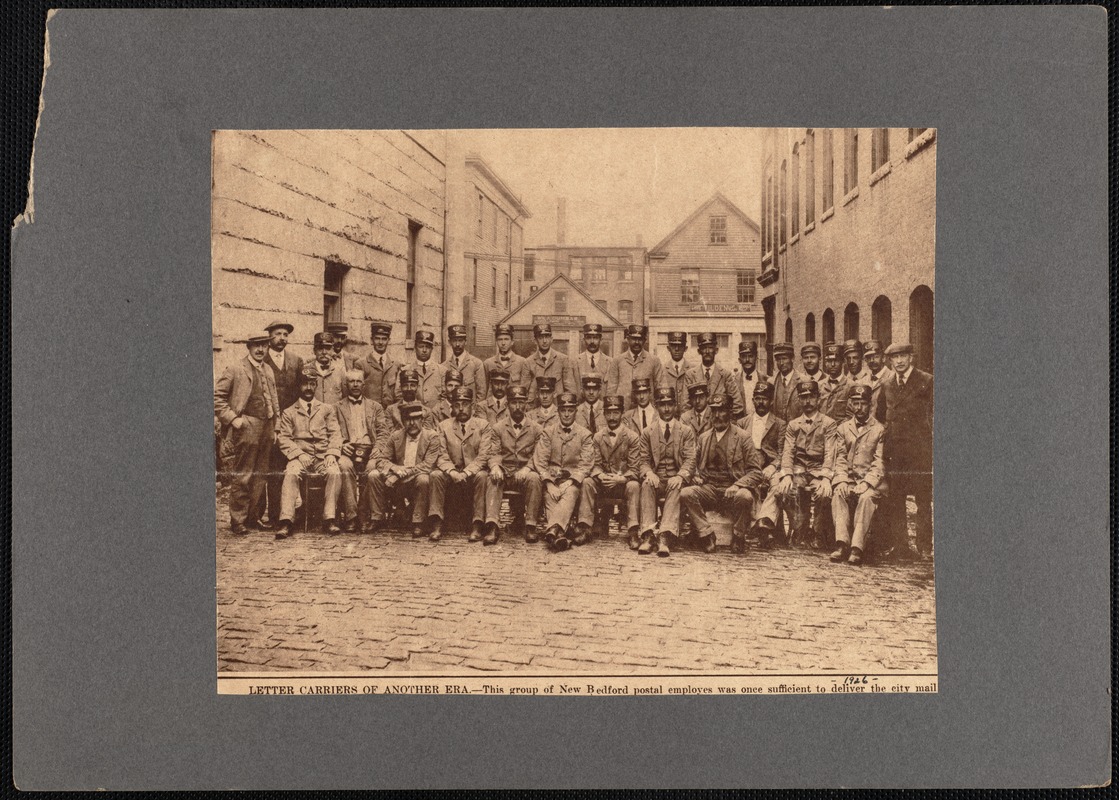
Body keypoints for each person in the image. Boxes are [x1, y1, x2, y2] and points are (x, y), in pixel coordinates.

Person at [681, 393, 765, 554]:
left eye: (721, 411)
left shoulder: (743, 437)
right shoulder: (704, 438)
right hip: (710, 489)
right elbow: (692, 464)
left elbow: (756, 472)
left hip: (732, 489)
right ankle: (706, 534)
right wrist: (695, 475)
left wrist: (737, 485)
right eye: (714, 411)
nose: (717, 415)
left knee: (745, 496)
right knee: (686, 493)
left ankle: (738, 535)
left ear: (730, 412)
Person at [214, 334, 280, 535]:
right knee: (243, 474)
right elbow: (217, 397)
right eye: (256, 346)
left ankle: (254, 517)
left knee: (260, 475)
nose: (261, 350)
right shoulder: (236, 369)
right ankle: (238, 520)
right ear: (249, 347)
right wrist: (234, 419)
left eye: (264, 346)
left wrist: (276, 426)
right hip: (247, 425)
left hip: (267, 427)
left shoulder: (268, 369)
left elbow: (274, 399)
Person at [759, 380, 837, 549]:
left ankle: (817, 532)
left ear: (818, 399)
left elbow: (830, 453)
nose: (807, 402)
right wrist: (786, 475)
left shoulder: (829, 424)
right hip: (799, 471)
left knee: (824, 494)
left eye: (811, 397)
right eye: (803, 398)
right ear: (799, 400)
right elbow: (787, 452)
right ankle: (798, 528)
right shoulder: (793, 425)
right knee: (784, 490)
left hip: (819, 471)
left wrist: (825, 478)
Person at [876, 341, 933, 559]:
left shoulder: (926, 381)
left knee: (923, 500)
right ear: (889, 361)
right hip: (895, 453)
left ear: (911, 358)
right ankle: (900, 546)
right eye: (894, 358)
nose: (899, 361)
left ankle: (924, 547)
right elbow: (881, 416)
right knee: (896, 500)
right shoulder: (887, 384)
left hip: (920, 453)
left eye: (903, 357)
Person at [274, 368, 343, 539]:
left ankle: (330, 518)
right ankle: (286, 521)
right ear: (299, 386)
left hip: (322, 457)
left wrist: (331, 454)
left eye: (312, 384)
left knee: (334, 472)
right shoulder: (289, 412)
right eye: (305, 383)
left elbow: (335, 434)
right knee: (291, 472)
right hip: (300, 457)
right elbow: (284, 438)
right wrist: (298, 454)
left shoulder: (327, 409)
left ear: (316, 385)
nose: (308, 388)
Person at [636, 387, 697, 557]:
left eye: (670, 404)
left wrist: (680, 475)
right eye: (662, 405)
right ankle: (648, 535)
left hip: (675, 478)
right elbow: (643, 461)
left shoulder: (685, 431)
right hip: (657, 478)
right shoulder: (648, 432)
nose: (667, 409)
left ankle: (665, 537)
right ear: (656, 406)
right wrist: (649, 473)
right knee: (647, 484)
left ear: (675, 406)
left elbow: (690, 460)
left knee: (676, 486)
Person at [829, 385, 886, 566]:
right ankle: (841, 544)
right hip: (850, 479)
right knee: (839, 493)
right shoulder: (843, 428)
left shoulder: (879, 429)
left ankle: (857, 548)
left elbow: (880, 462)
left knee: (866, 499)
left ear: (870, 405)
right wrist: (842, 480)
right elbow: (839, 458)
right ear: (850, 405)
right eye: (855, 403)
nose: (859, 408)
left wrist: (868, 483)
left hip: (872, 483)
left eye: (863, 404)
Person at [368, 403, 443, 539]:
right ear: (403, 422)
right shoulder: (395, 436)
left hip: (416, 480)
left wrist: (399, 475)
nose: (412, 423)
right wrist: (395, 469)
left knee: (424, 478)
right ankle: (377, 518)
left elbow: (428, 465)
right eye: (408, 420)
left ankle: (418, 522)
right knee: (374, 475)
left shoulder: (432, 437)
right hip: (398, 481)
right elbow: (381, 460)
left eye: (415, 419)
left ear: (422, 420)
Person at [531, 392, 594, 552]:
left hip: (572, 482)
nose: (566, 414)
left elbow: (586, 463)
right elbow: (540, 461)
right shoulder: (548, 432)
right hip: (552, 480)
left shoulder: (584, 434)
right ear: (558, 411)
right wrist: (549, 483)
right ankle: (559, 536)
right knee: (549, 494)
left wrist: (571, 481)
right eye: (563, 410)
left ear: (576, 411)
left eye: (570, 410)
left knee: (571, 492)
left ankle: (553, 529)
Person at [430, 387, 494, 542]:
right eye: (457, 404)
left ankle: (477, 524)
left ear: (472, 405)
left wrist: (466, 472)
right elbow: (441, 454)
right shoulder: (443, 426)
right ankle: (437, 523)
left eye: (465, 404)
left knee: (483, 476)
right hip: (452, 472)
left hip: (473, 472)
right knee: (436, 475)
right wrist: (452, 471)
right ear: (451, 406)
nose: (461, 408)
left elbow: (484, 455)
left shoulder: (483, 425)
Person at [577, 395, 642, 548]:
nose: (612, 417)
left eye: (616, 413)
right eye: (609, 413)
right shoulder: (598, 437)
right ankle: (585, 528)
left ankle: (633, 531)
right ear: (604, 414)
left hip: (622, 485)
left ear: (622, 413)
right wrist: (601, 475)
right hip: (604, 483)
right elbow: (595, 463)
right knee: (587, 482)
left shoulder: (632, 437)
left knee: (634, 486)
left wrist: (621, 479)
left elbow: (635, 468)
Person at [333, 369, 390, 532]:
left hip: (370, 450)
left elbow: (383, 432)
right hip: (348, 450)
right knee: (344, 467)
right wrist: (342, 444)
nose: (355, 384)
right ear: (346, 384)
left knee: (372, 469)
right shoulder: (336, 408)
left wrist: (378, 448)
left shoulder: (375, 407)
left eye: (358, 381)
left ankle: (363, 514)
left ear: (364, 384)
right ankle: (351, 516)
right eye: (351, 381)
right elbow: (332, 431)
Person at [486, 386, 544, 543]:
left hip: (525, 471)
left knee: (535, 478)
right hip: (505, 471)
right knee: (492, 478)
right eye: (513, 402)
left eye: (521, 402)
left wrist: (527, 468)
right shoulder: (498, 428)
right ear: (507, 404)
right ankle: (492, 525)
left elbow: (539, 455)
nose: (517, 407)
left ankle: (531, 526)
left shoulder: (537, 429)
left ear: (526, 404)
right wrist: (495, 466)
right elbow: (494, 452)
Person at [262, 320, 304, 529]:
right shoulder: (263, 359)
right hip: (269, 424)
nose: (282, 338)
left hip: (291, 425)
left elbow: (300, 392)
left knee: (291, 466)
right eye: (278, 334)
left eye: (285, 334)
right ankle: (273, 514)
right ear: (270, 337)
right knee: (272, 468)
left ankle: (294, 514)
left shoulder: (296, 361)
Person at [740, 381, 786, 549]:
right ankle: (757, 527)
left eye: (764, 399)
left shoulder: (780, 424)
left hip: (770, 465)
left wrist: (772, 467)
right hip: (748, 465)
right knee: (750, 484)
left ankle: (764, 521)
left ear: (771, 401)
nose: (761, 402)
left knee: (777, 485)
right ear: (752, 400)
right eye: (757, 398)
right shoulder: (743, 423)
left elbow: (782, 452)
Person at [608, 324, 664, 409]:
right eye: (634, 339)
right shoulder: (617, 361)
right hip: (623, 411)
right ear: (628, 339)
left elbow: (659, 388)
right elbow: (611, 389)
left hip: (647, 410)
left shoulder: (654, 360)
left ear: (645, 340)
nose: (637, 342)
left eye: (640, 339)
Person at [525, 323, 576, 404]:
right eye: (541, 338)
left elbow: (570, 389)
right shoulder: (528, 362)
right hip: (535, 408)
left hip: (557, 408)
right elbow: (524, 390)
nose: (544, 341)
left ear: (551, 339)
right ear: (535, 341)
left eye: (547, 337)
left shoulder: (563, 359)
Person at [443, 324, 487, 404]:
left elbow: (481, 393)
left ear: (466, 341)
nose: (457, 344)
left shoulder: (476, 364)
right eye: (454, 340)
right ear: (449, 342)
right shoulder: (444, 366)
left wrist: (474, 412)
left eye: (460, 340)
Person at [359, 321, 400, 408]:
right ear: (371, 340)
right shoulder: (361, 364)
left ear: (389, 340)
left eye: (384, 339)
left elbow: (399, 394)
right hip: (370, 413)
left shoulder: (396, 365)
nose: (380, 342)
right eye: (377, 338)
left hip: (389, 416)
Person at [483, 323, 531, 394]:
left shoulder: (522, 362)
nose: (503, 343)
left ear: (512, 342)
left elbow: (525, 390)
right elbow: (485, 389)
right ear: (496, 342)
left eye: (506, 339)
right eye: (500, 339)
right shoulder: (488, 363)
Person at [688, 332, 734, 405]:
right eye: (704, 348)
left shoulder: (726, 375)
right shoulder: (690, 375)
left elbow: (736, 402)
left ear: (716, 350)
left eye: (710, 348)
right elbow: (685, 404)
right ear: (699, 351)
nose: (707, 352)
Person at [572, 323, 613, 402]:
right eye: (588, 338)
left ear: (601, 340)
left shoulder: (610, 362)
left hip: (602, 409)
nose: (592, 341)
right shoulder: (575, 361)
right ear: (584, 340)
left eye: (596, 338)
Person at [402, 329, 443, 408]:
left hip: (436, 417)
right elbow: (399, 396)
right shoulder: (405, 370)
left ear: (432, 349)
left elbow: (445, 397)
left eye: (427, 347)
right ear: (415, 348)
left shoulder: (441, 371)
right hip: (413, 416)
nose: (424, 350)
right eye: (421, 347)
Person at [660, 331, 694, 415]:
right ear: (668, 348)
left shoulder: (693, 370)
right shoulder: (661, 370)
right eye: (673, 346)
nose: (676, 349)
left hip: (688, 418)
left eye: (680, 346)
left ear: (685, 348)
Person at [730, 340, 765, 421]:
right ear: (739, 359)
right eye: (744, 356)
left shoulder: (766, 379)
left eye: (750, 356)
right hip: (740, 424)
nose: (747, 359)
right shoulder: (732, 382)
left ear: (756, 358)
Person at [308, 331, 346, 405]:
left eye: (328, 348)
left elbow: (345, 398)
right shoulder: (307, 369)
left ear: (332, 350)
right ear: (314, 351)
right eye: (320, 348)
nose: (324, 352)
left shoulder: (340, 370)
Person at [819, 342, 853, 423]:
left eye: (836, 361)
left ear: (843, 362)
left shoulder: (851, 386)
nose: (833, 364)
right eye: (829, 361)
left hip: (841, 432)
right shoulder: (819, 385)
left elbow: (851, 416)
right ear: (825, 363)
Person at [771, 342, 803, 421]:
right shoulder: (771, 382)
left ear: (792, 358)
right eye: (778, 359)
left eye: (784, 358)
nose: (781, 363)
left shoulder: (803, 380)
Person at [862, 339, 895, 418]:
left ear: (883, 358)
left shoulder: (893, 378)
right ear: (866, 361)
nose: (872, 361)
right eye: (869, 358)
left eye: (876, 357)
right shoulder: (862, 381)